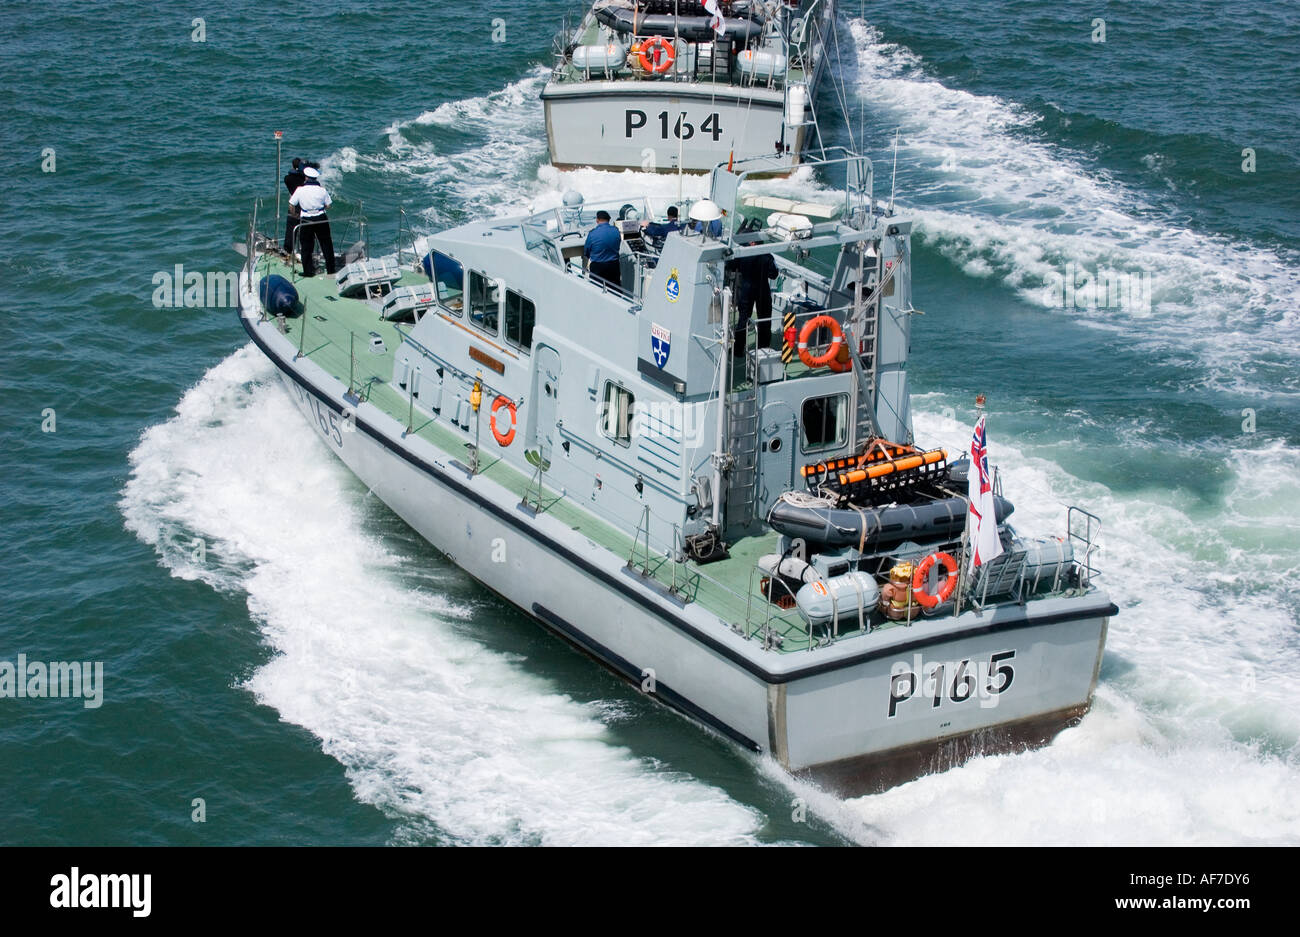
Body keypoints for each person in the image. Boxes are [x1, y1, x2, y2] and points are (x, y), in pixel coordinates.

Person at [288, 166, 336, 277]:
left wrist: (295, 215)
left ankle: (308, 271)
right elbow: (328, 205)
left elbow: (291, 205)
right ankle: (331, 270)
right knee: (326, 244)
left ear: (306, 178)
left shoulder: (300, 190)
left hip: (306, 219)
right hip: (321, 218)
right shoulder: (322, 190)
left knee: (306, 246)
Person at [732, 251, 780, 356]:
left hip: (746, 289)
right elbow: (774, 274)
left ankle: (738, 349)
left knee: (743, 319)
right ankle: (763, 349)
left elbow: (732, 266)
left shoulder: (743, 254)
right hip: (762, 290)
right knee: (764, 320)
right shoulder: (768, 256)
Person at [584, 209, 622, 289]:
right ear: (609, 220)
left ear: (597, 220)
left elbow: (587, 251)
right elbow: (618, 245)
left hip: (598, 267)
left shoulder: (592, 233)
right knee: (615, 289)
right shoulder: (616, 230)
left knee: (597, 290)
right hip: (614, 266)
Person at [282, 157, 306, 253]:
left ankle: (288, 249)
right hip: (304, 203)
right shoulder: (303, 178)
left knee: (291, 228)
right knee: (304, 228)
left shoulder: (287, 179)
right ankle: (304, 248)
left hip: (294, 203)